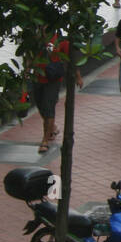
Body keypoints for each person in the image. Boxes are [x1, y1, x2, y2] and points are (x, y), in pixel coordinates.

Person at [29, 26, 83, 154]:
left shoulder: (60, 41)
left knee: (48, 108)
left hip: (52, 80)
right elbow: (29, 57)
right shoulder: (35, 41)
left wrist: (78, 76)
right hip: (37, 78)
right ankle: (51, 127)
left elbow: (70, 59)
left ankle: (45, 140)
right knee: (41, 106)